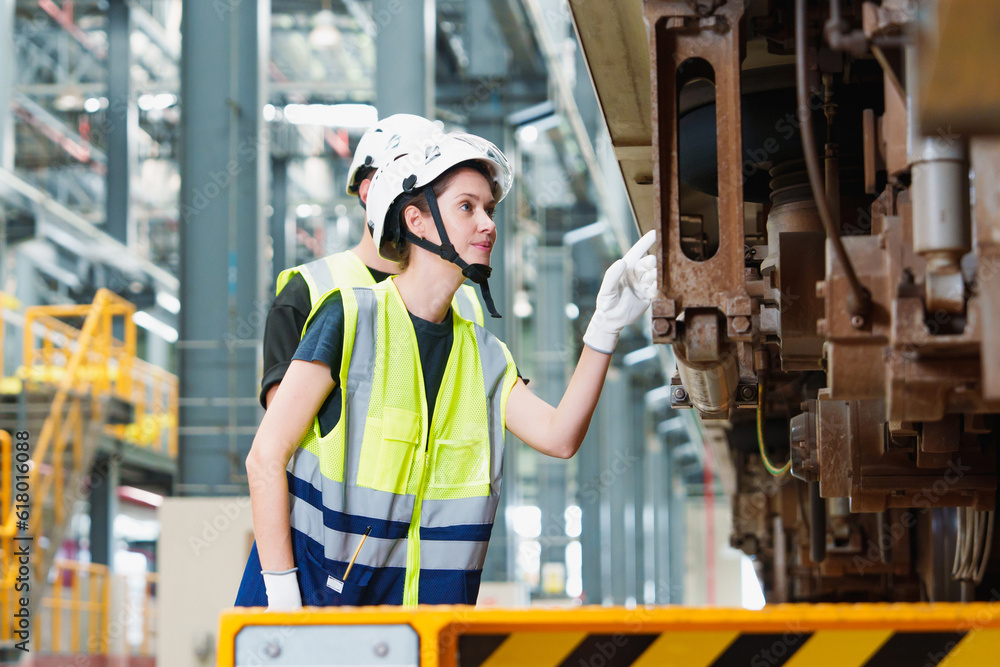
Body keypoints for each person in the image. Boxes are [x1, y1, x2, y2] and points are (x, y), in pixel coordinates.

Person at [235, 130, 657, 608]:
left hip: (417, 632)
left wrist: (604, 329)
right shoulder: (349, 317)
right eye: (467, 207)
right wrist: (283, 595)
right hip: (308, 612)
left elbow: (560, 437)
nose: (488, 224)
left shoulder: (483, 355)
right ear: (416, 219)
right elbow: (264, 458)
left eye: (490, 210)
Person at [261, 114, 484, 410]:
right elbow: (282, 430)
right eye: (411, 180)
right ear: (369, 192)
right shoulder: (308, 291)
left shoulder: (464, 303)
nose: (424, 192)